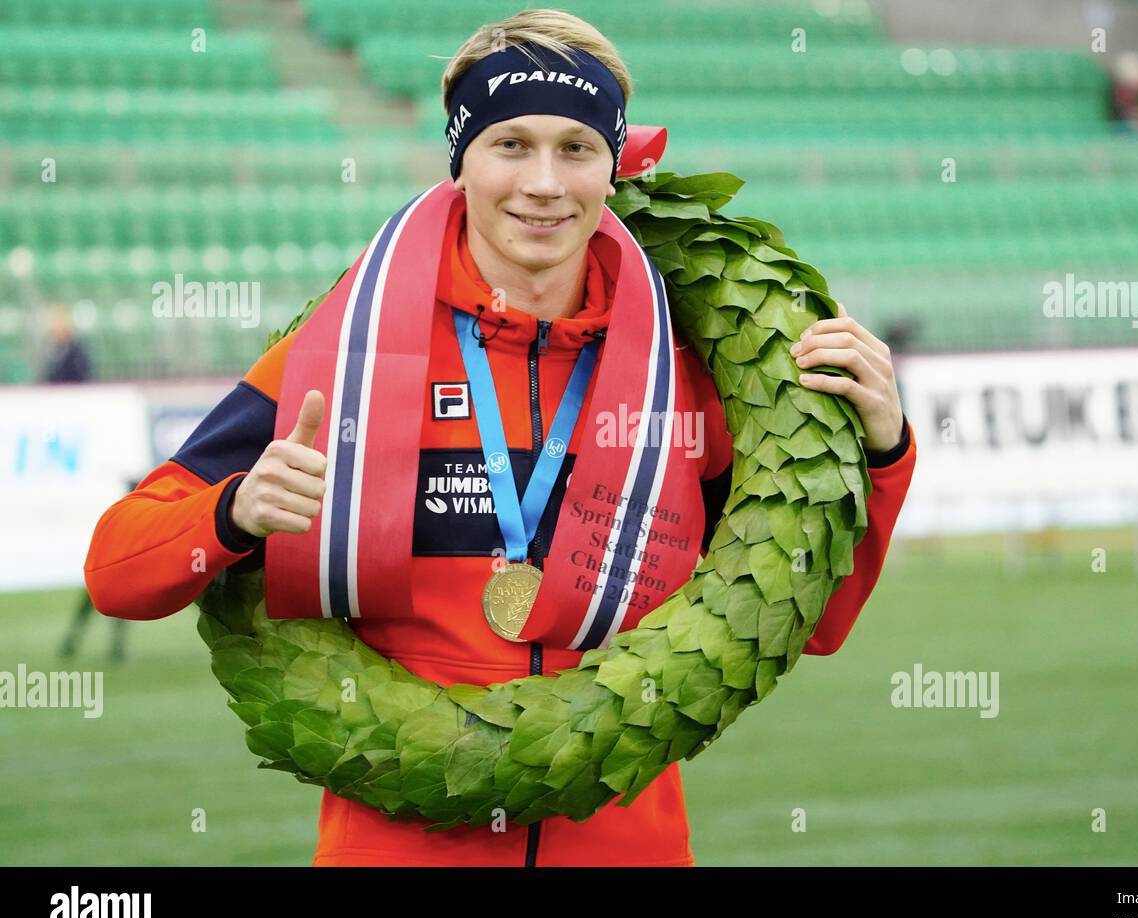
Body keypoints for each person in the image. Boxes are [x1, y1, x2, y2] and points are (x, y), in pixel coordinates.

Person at [83, 8, 917, 866]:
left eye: (577, 147)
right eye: (510, 144)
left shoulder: (679, 369)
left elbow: (811, 623)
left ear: (612, 166)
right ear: (461, 161)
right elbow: (116, 571)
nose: (545, 183)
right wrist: (231, 514)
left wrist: (882, 454)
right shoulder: (350, 353)